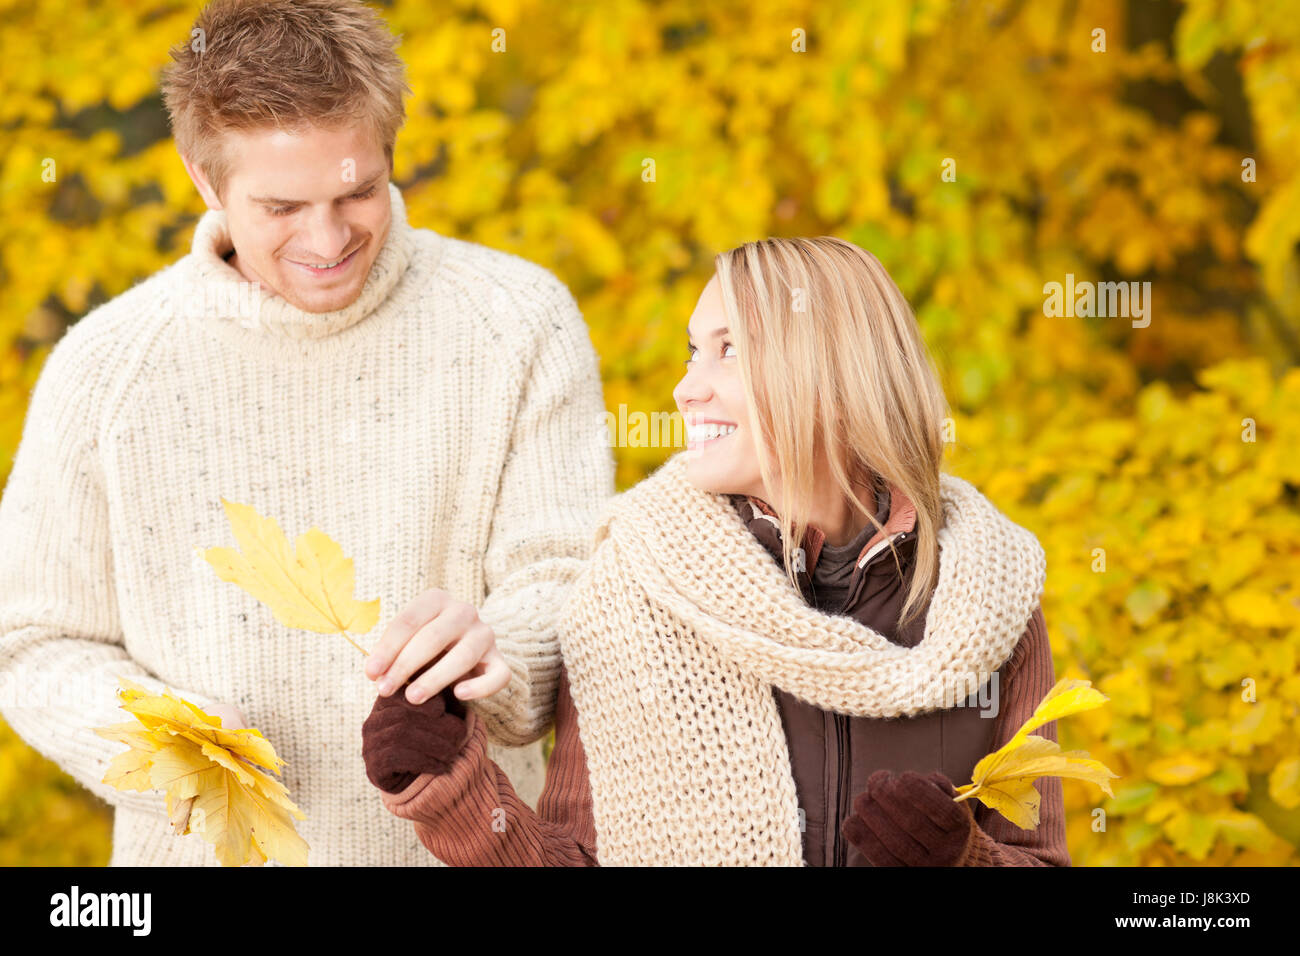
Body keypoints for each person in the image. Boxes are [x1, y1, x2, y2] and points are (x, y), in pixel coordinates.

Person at [0, 0, 613, 866]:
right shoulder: (104, 368)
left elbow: (573, 585)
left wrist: (496, 651)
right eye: (283, 206)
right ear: (203, 179)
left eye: (358, 192)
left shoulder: (519, 322)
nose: (328, 240)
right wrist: (165, 745)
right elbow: (29, 641)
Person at [363, 236, 1070, 866]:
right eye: (692, 351)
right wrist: (452, 791)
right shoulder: (633, 587)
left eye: (728, 350)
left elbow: (1038, 858)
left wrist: (964, 860)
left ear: (834, 372)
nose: (685, 387)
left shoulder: (988, 597)